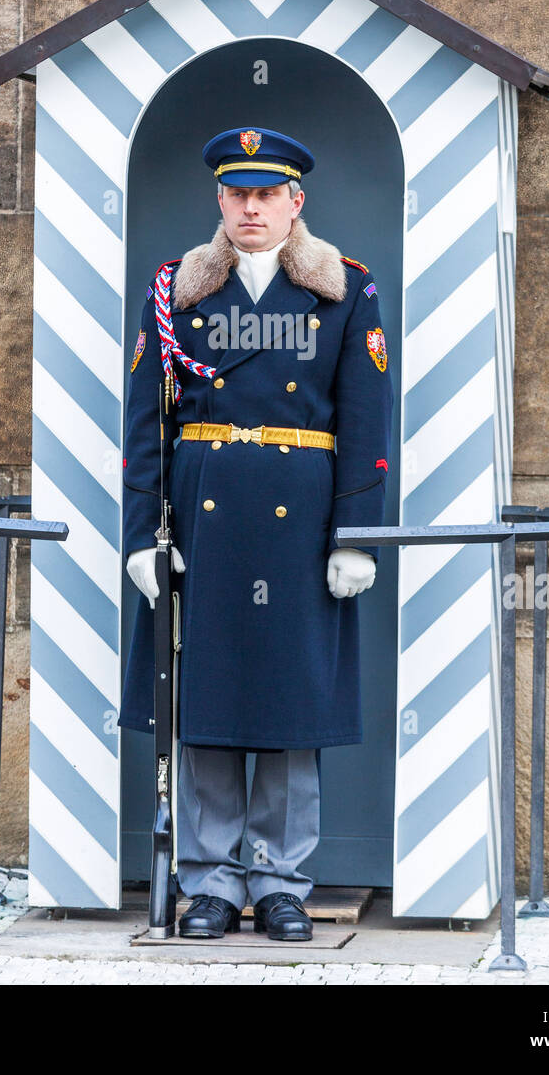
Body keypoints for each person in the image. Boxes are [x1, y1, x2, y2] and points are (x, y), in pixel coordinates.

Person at [119, 125, 393, 941]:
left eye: (267, 194)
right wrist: (142, 535)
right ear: (220, 202)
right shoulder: (177, 288)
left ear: (294, 203)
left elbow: (365, 416)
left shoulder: (345, 289)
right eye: (237, 193)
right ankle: (207, 882)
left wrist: (356, 534)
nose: (251, 207)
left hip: (299, 522)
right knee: (202, 697)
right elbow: (147, 424)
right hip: (203, 517)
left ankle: (278, 880)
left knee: (286, 697)